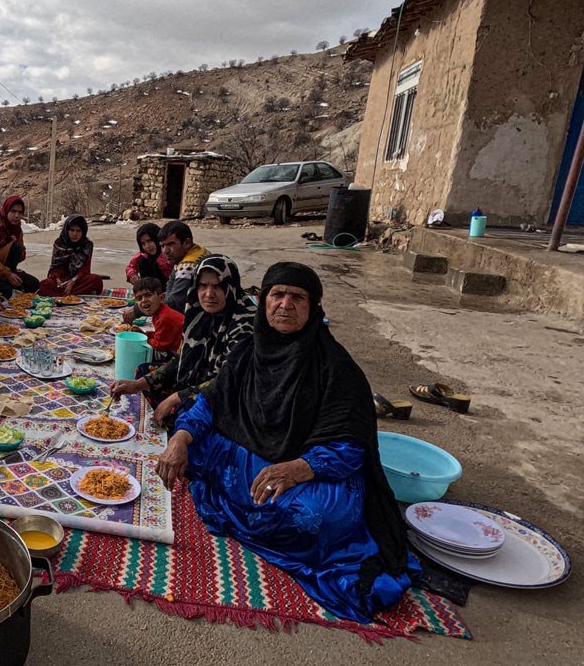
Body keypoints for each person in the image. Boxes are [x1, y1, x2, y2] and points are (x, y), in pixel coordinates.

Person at [154, 262, 418, 624]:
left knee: (319, 516)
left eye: (298, 297)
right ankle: (245, 497)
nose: (285, 304)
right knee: (188, 437)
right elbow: (212, 402)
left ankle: (256, 508)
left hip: (306, 468)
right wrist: (180, 439)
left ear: (314, 307)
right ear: (263, 301)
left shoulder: (336, 368)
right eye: (277, 294)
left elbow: (351, 445)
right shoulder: (248, 351)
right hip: (249, 456)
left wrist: (298, 468)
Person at [111, 255, 255, 426]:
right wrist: (137, 385)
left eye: (218, 286)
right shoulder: (200, 314)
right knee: (143, 373)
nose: (209, 294)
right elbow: (180, 360)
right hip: (200, 380)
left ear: (231, 286)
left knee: (185, 413)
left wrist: (176, 397)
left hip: (227, 394)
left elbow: (227, 381)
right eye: (202, 286)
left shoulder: (244, 324)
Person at [37, 214, 104, 297]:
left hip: (78, 279)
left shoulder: (87, 245)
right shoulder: (59, 243)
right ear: (66, 230)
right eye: (72, 230)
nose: (75, 234)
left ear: (83, 232)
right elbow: (55, 267)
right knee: (44, 284)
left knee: (96, 280)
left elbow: (85, 269)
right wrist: (58, 279)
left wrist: (73, 281)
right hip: (60, 280)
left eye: (78, 231)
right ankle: (71, 294)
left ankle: (61, 295)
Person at [0, 197, 41, 297]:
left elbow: (22, 256)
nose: (16, 216)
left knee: (34, 283)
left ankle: (12, 284)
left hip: (11, 270)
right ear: (6, 210)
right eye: (13, 211)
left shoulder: (18, 230)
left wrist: (17, 243)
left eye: (20, 212)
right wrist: (8, 275)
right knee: (6, 290)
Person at [120, 276, 184, 358]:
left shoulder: (164, 318)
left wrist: (142, 339)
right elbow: (159, 335)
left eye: (148, 295)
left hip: (180, 355)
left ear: (161, 298)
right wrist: (144, 334)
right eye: (139, 298)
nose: (144, 300)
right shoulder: (159, 313)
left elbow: (159, 346)